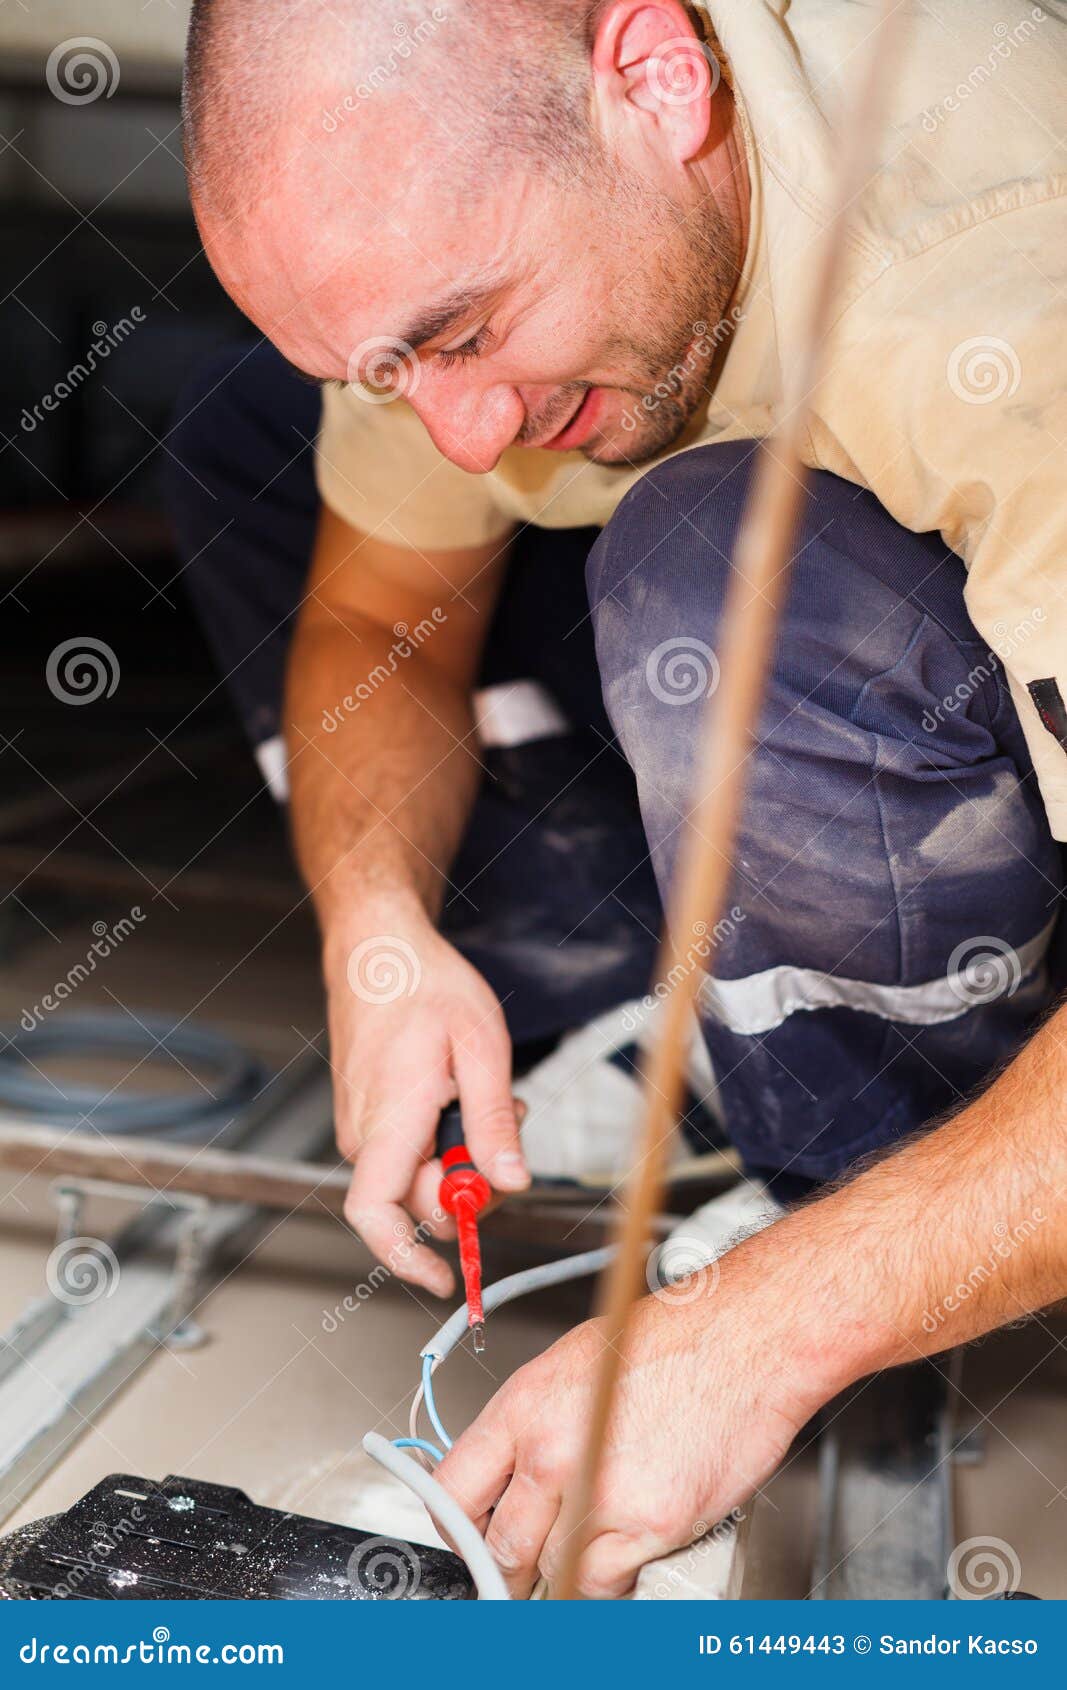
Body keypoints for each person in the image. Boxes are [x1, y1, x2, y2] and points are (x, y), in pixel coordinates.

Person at [170, 0, 1067, 1596]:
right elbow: (377, 621)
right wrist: (376, 933)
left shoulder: (1001, 277)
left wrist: (757, 1332)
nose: (456, 431)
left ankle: (872, 1142)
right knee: (238, 436)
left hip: (937, 533)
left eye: (460, 331)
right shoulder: (513, 217)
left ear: (657, 79)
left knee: (714, 564)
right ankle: (680, 990)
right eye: (388, 368)